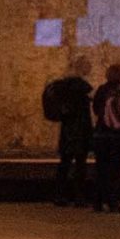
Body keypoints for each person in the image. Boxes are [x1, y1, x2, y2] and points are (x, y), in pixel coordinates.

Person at [42, 55, 93, 207]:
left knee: (64, 164)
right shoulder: (81, 86)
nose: (89, 68)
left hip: (67, 131)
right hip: (80, 131)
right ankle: (78, 196)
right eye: (87, 65)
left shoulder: (64, 85)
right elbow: (85, 110)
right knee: (80, 166)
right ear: (81, 67)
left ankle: (60, 195)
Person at [88, 64, 120, 214]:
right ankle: (113, 202)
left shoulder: (102, 90)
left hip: (102, 134)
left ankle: (97, 202)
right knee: (115, 170)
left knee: (100, 168)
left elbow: (96, 110)